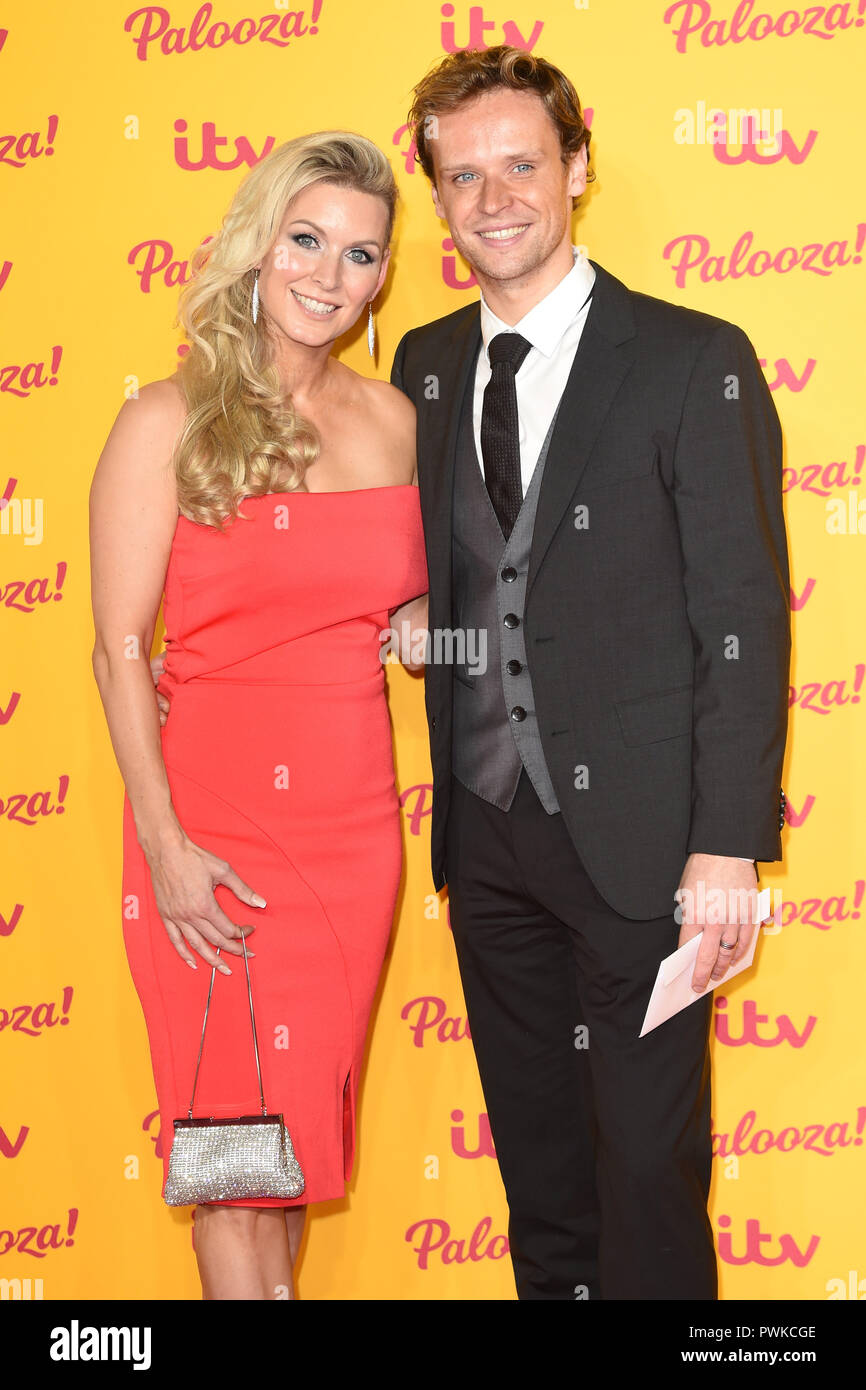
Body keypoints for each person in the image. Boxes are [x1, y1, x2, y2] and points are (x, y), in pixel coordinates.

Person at [391, 46, 791, 1300]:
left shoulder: (689, 356)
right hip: (489, 842)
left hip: (645, 844)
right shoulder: (422, 363)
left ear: (575, 166)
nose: (492, 197)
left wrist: (724, 847)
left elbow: (740, 613)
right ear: (438, 199)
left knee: (646, 1171)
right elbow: (462, 599)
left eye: (519, 164)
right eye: (462, 175)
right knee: (541, 1173)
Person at [90, 131, 428, 1301]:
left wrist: (425, 617)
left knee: (279, 1164)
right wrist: (169, 850)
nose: (328, 276)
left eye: (358, 254)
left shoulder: (393, 424)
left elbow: (410, 591)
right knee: (230, 1162)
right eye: (305, 240)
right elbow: (119, 652)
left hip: (349, 840)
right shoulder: (164, 420)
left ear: (383, 274)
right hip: (210, 833)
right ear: (258, 241)